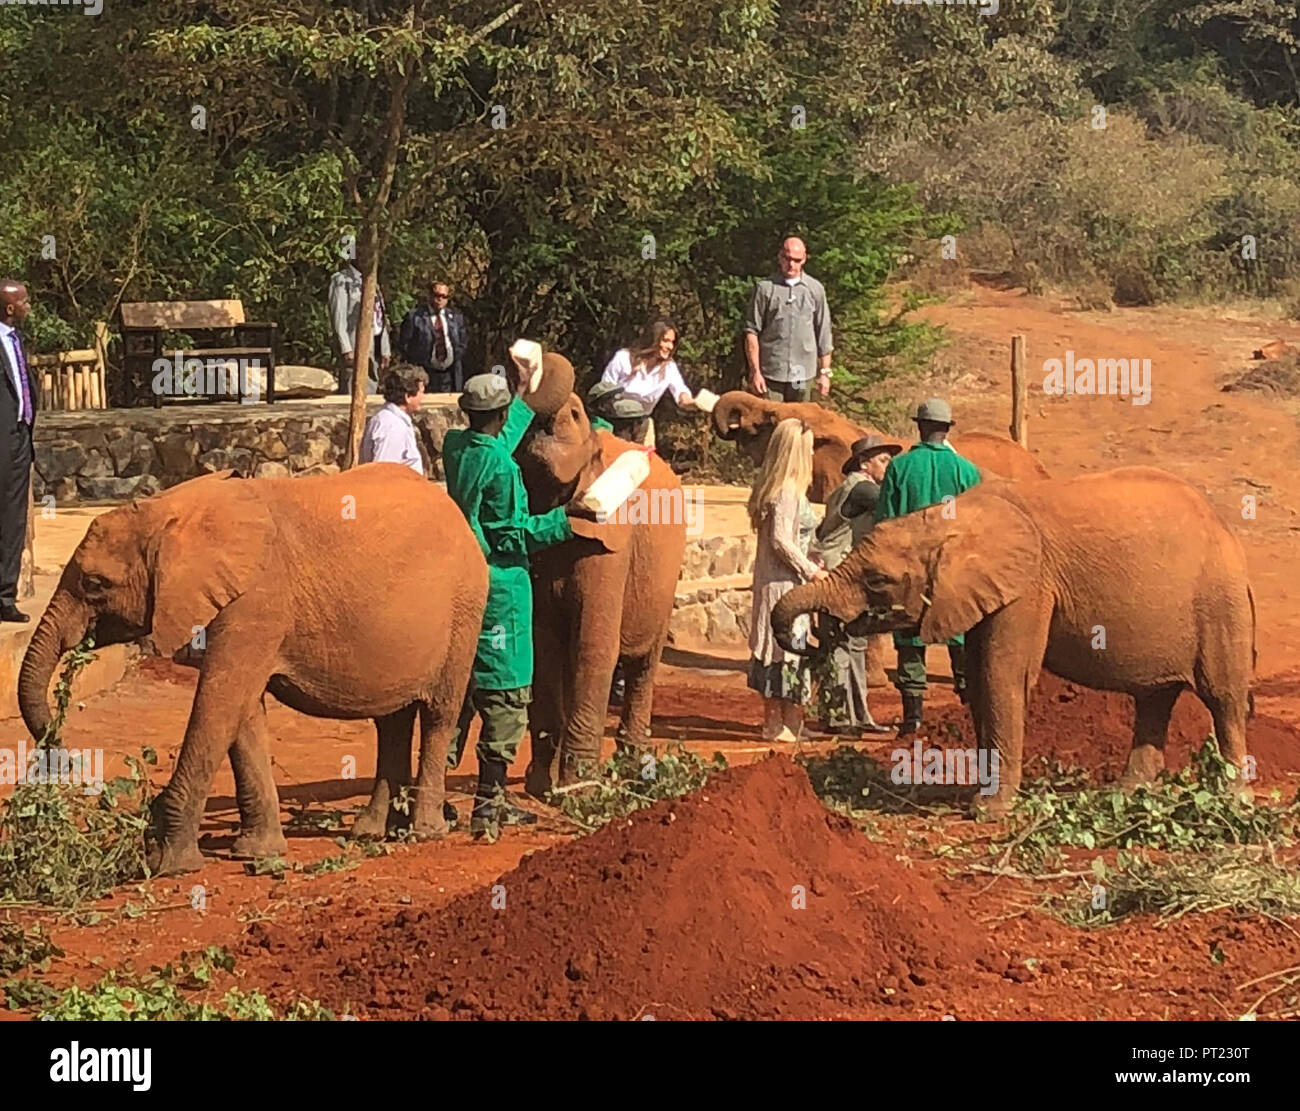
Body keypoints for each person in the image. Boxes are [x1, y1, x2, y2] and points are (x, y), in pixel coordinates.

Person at [441, 372, 591, 841]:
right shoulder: (504, 472)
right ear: (501, 415)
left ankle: (428, 791)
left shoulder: (456, 448)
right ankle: (489, 803)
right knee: (505, 691)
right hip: (501, 584)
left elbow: (492, 449)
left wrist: (526, 400)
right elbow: (512, 532)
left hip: (459, 579)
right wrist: (566, 519)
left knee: (459, 687)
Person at [873, 398, 982, 735]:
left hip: (910, 572)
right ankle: (969, 714)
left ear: (919, 427)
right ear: (947, 429)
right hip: (955, 570)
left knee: (910, 639)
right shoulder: (967, 471)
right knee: (961, 636)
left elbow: (885, 524)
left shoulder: (899, 468)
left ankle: (912, 719)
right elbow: (979, 527)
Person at [810, 435, 900, 735]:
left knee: (853, 644)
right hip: (839, 575)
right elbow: (894, 506)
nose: (889, 466)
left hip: (842, 572)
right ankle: (838, 717)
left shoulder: (852, 487)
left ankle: (856, 715)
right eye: (883, 460)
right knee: (840, 644)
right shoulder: (862, 488)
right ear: (865, 464)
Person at [747, 418, 826, 742]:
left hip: (780, 582)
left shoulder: (780, 488)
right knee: (785, 652)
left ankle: (788, 723)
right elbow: (781, 540)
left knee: (784, 652)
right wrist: (811, 570)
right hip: (783, 585)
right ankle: (777, 724)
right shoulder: (787, 492)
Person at [743, 236, 833, 402]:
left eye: (796, 260)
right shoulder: (765, 289)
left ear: (804, 259)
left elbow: (824, 333)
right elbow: (751, 331)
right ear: (780, 257)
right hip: (771, 372)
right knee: (771, 422)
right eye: (787, 258)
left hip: (801, 373)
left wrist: (825, 372)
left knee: (799, 421)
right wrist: (755, 372)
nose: (791, 264)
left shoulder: (815, 290)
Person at [600, 319, 699, 447]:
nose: (670, 347)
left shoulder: (669, 368)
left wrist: (693, 402)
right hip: (614, 423)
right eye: (666, 341)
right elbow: (604, 390)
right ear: (653, 339)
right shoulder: (622, 358)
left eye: (672, 342)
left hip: (642, 426)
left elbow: (680, 391)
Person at [0, 280, 36, 623]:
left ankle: (5, 597)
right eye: (24, 302)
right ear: (10, 307)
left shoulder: (15, 339)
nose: (29, 306)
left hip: (20, 438)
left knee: (12, 520)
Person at [329, 256, 391, 395]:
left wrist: (385, 348)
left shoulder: (372, 280)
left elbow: (379, 316)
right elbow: (338, 317)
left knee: (371, 388)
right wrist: (346, 348)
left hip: (375, 345)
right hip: (355, 346)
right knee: (354, 390)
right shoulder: (341, 280)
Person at [397, 280, 468, 393]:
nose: (440, 299)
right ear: (430, 295)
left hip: (449, 374)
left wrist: (454, 357)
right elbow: (404, 344)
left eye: (444, 296)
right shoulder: (415, 317)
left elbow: (462, 342)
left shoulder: (456, 317)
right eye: (437, 295)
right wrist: (417, 362)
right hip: (424, 373)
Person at [359, 364, 428, 475]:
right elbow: (383, 473)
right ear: (408, 396)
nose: (423, 397)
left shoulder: (392, 421)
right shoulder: (392, 426)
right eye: (421, 392)